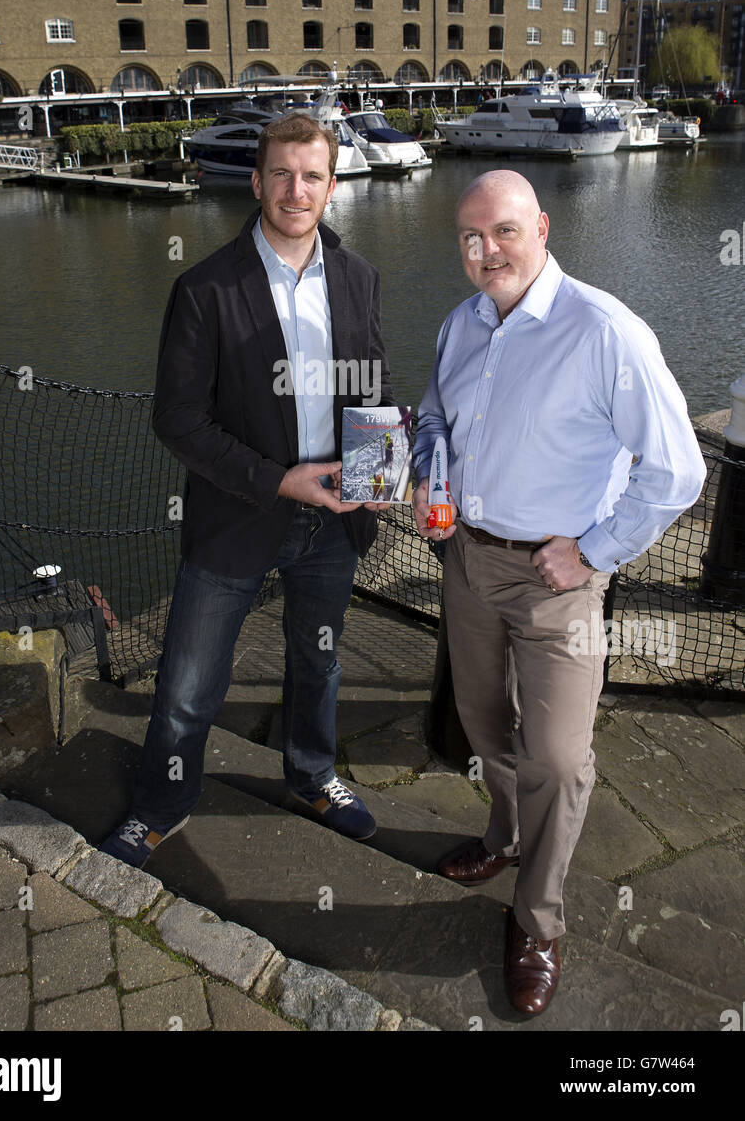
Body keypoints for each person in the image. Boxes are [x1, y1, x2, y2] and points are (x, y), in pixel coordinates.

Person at [412, 169, 706, 1016]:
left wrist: (594, 552)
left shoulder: (605, 331)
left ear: (540, 227)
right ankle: (503, 835)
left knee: (559, 758)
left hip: (555, 584)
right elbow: (435, 419)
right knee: (480, 720)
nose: (484, 251)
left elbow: (677, 470)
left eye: (502, 231)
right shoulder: (460, 325)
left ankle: (536, 919)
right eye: (469, 238)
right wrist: (433, 476)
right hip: (467, 562)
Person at [102, 114, 393, 868]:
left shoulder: (358, 277)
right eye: (283, 174)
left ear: (332, 186)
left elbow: (373, 386)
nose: (297, 191)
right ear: (258, 181)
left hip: (333, 521)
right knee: (190, 681)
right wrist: (276, 480)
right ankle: (160, 805)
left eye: (313, 176)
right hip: (237, 515)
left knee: (317, 661)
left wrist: (378, 475)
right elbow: (177, 420)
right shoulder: (204, 288)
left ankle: (311, 775)